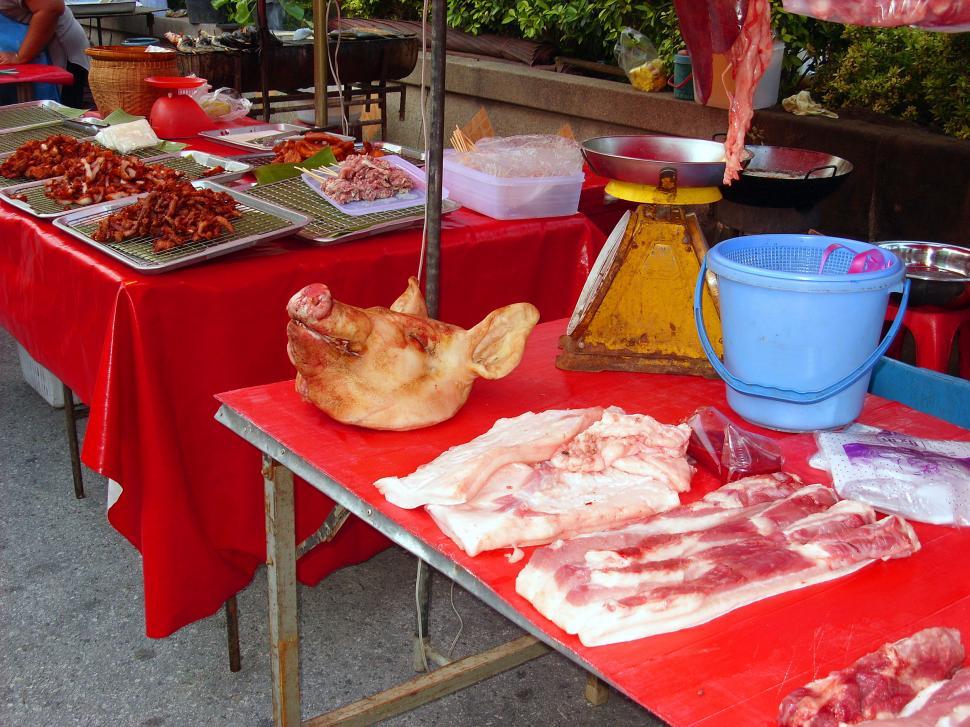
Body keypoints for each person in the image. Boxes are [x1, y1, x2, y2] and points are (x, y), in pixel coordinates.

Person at [0, 0, 89, 105]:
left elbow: (51, 7)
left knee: (56, 112)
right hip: (18, 52)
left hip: (56, 54)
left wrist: (19, 56)